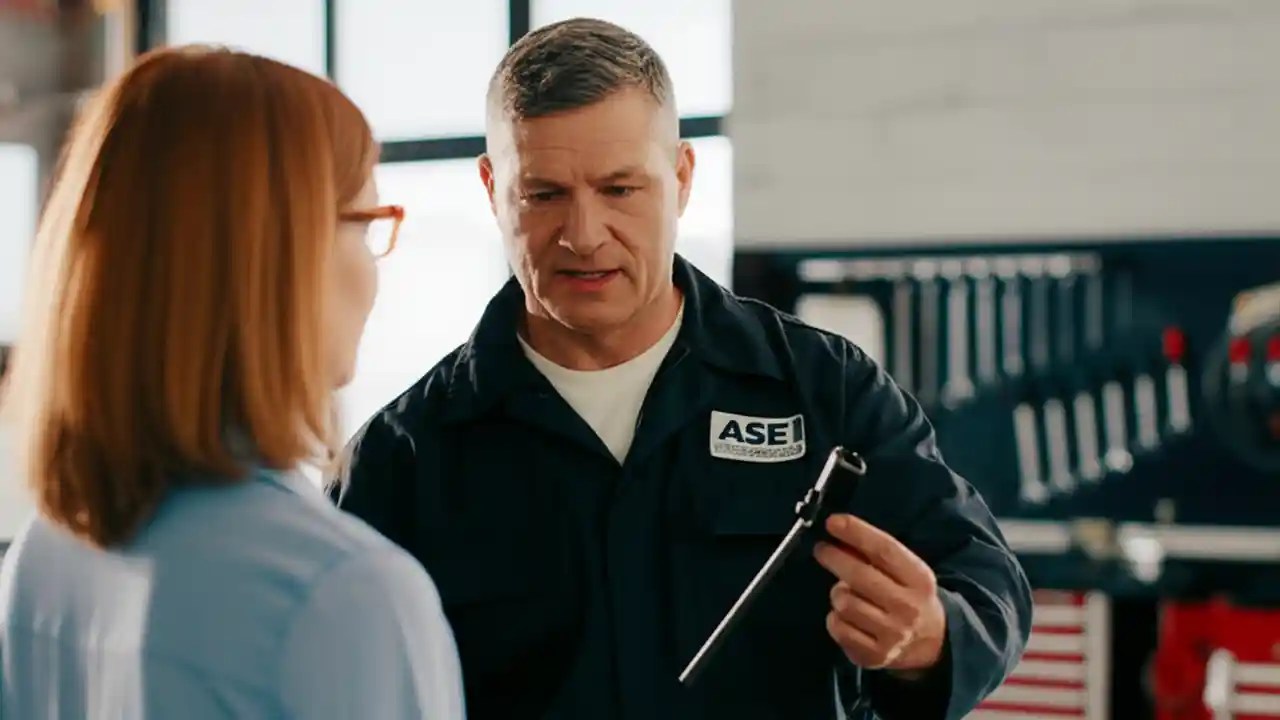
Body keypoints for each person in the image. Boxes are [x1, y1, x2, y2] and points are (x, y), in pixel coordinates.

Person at [333, 17, 1032, 720]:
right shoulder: (403, 458)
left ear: (682, 177)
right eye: (544, 194)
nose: (583, 235)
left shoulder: (825, 391)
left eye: (620, 190)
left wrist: (930, 638)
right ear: (492, 187)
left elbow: (985, 582)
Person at [0, 46, 465, 719]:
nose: (373, 273)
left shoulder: (46, 556)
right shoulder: (341, 595)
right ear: (284, 257)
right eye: (367, 224)